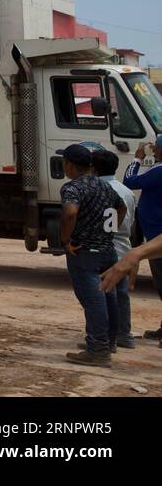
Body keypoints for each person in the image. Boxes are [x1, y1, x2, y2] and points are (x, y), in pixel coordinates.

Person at [58, 143, 127, 365]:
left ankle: (98, 349)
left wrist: (65, 240)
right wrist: (109, 230)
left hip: (85, 252)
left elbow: (70, 213)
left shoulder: (73, 188)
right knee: (109, 297)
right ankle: (108, 341)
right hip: (108, 250)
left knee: (93, 300)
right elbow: (121, 207)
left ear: (69, 165)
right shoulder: (106, 186)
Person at [90, 146, 137, 349]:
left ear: (93, 169)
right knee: (122, 293)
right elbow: (131, 220)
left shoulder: (94, 189)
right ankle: (124, 334)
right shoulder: (127, 191)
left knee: (101, 293)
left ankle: (104, 338)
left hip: (101, 245)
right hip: (122, 244)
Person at [123, 134, 162, 341]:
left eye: (157, 147)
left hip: (157, 236)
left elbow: (129, 180)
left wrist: (137, 159)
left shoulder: (159, 170)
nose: (153, 149)